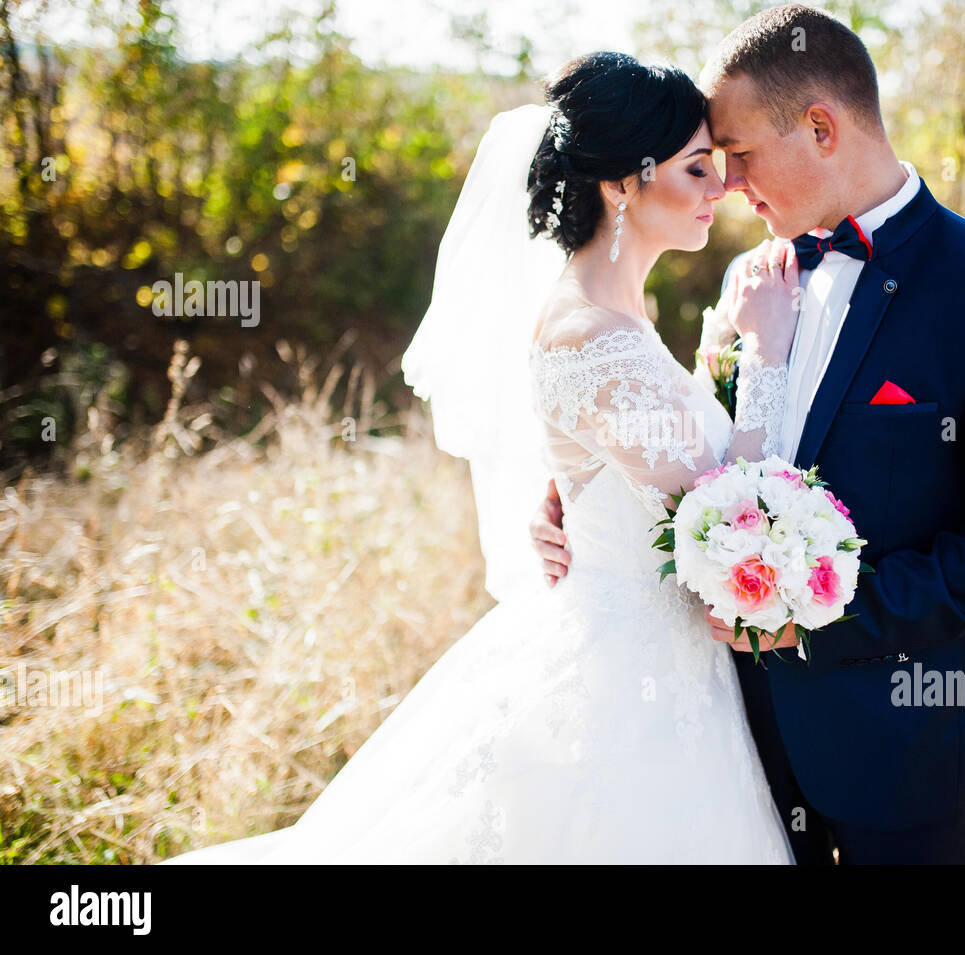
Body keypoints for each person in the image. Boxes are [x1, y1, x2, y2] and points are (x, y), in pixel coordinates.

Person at [162, 51, 800, 864]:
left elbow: (643, 467)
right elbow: (724, 517)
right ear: (621, 183)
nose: (721, 189)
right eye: (697, 167)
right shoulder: (590, 336)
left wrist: (704, 365)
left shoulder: (617, 318)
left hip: (670, 665)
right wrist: (768, 351)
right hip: (626, 679)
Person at [530, 5, 965, 864]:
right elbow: (690, 446)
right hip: (722, 737)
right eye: (710, 165)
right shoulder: (748, 276)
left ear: (823, 127)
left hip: (899, 746)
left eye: (741, 156)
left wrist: (828, 612)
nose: (728, 187)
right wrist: (574, 494)